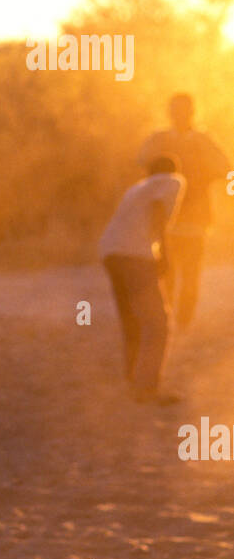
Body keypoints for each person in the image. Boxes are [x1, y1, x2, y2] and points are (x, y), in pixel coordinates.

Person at [138, 94, 230, 329]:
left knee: (190, 273)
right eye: (174, 110)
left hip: (196, 218)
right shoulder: (160, 138)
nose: (178, 115)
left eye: (182, 110)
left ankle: (183, 321)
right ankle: (167, 317)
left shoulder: (202, 140)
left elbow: (225, 167)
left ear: (192, 112)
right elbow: (141, 159)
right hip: (166, 218)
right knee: (165, 271)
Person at [98, 155, 185, 403]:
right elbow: (158, 211)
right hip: (135, 256)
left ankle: (132, 378)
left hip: (110, 252)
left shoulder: (136, 189)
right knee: (158, 324)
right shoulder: (172, 181)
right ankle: (146, 388)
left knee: (131, 318)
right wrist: (165, 254)